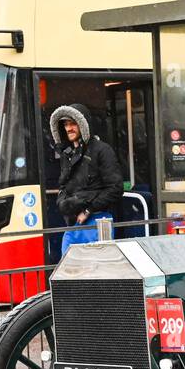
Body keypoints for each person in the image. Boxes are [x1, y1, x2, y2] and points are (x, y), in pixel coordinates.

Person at [50, 103, 123, 257]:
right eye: (65, 124)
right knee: (68, 273)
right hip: (73, 225)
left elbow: (115, 188)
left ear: (83, 125)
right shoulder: (67, 154)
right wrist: (63, 202)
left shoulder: (102, 150)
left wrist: (88, 210)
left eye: (73, 123)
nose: (68, 128)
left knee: (95, 273)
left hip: (97, 223)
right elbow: (63, 185)